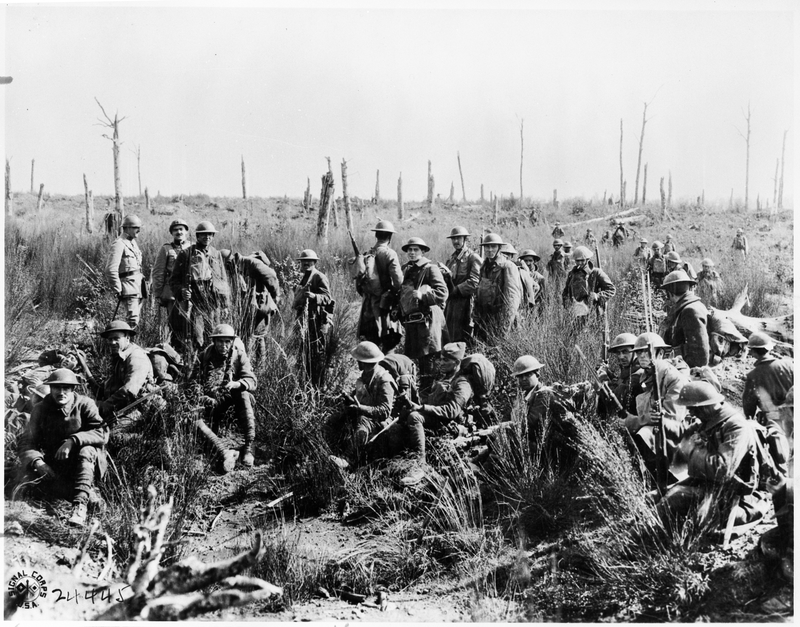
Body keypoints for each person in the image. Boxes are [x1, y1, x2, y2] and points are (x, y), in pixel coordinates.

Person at [660, 381, 767, 526]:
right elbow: (682, 434)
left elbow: (722, 470)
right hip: (708, 485)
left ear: (706, 407)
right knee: (654, 496)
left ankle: (634, 541)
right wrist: (660, 421)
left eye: (692, 409)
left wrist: (692, 450)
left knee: (675, 497)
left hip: (732, 496)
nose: (690, 413)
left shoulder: (736, 428)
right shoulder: (708, 421)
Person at [17, 369, 108, 527]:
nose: (61, 392)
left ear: (73, 389)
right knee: (25, 487)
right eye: (57, 388)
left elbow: (101, 433)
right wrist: (38, 462)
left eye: (66, 388)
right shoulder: (40, 409)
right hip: (56, 462)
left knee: (86, 451)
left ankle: (80, 506)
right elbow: (27, 441)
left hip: (86, 462)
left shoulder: (85, 404)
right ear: (50, 389)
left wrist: (73, 440)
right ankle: (84, 492)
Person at [378, 342, 474, 486]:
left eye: (446, 360)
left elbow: (452, 411)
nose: (441, 362)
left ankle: (419, 466)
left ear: (457, 362)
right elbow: (431, 402)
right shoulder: (442, 379)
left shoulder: (462, 383)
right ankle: (395, 463)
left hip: (449, 424)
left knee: (415, 417)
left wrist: (422, 408)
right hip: (435, 420)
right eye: (440, 359)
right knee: (401, 421)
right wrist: (414, 405)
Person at [192, 324, 258, 470]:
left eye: (227, 341)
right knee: (195, 417)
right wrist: (201, 396)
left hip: (233, 399)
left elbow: (252, 381)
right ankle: (218, 449)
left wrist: (236, 384)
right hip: (211, 401)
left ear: (232, 342)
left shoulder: (239, 355)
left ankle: (248, 445)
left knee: (243, 394)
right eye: (220, 341)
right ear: (214, 342)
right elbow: (194, 382)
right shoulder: (204, 356)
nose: (223, 345)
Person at [623, 332, 689, 472]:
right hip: (656, 432)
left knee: (645, 433)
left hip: (676, 437)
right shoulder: (645, 377)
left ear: (660, 353)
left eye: (646, 352)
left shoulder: (674, 379)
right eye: (639, 352)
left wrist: (640, 421)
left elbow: (672, 419)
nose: (641, 356)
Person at [326, 341, 397, 464]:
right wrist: (350, 400)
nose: (357, 362)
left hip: (379, 421)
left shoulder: (384, 380)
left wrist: (361, 409)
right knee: (335, 418)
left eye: (359, 360)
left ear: (366, 363)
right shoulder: (365, 376)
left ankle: (347, 459)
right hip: (363, 413)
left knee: (363, 423)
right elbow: (360, 398)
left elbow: (384, 411)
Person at [170, 221, 231, 353]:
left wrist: (225, 304)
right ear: (197, 236)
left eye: (210, 234)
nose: (207, 237)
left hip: (214, 304)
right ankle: (196, 364)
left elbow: (223, 280)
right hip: (195, 303)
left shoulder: (216, 253)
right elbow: (174, 280)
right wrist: (182, 291)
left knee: (214, 335)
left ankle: (211, 365)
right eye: (203, 235)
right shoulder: (186, 254)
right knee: (196, 337)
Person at [398, 237, 448, 389]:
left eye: (416, 250)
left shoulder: (430, 268)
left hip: (428, 322)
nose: (412, 253)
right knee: (412, 360)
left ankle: (428, 395)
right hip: (411, 322)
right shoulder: (405, 269)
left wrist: (423, 296)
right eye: (410, 250)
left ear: (423, 251)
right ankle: (416, 393)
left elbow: (443, 293)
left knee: (428, 362)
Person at [513, 355, 578, 472]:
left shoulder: (544, 395)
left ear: (537, 374)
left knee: (513, 441)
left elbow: (529, 425)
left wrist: (506, 427)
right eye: (520, 376)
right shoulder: (526, 396)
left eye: (528, 375)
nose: (523, 379)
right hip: (546, 444)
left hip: (558, 450)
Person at [97, 321, 156, 431]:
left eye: (116, 338)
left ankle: (146, 442)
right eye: (110, 339)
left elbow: (130, 389)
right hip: (125, 405)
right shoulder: (120, 356)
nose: (112, 342)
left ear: (127, 338)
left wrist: (106, 405)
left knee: (110, 434)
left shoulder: (136, 357)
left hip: (140, 407)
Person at [356, 220, 404, 354]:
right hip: (384, 307)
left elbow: (359, 284)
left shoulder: (366, 254)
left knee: (371, 346)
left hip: (368, 307)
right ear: (390, 237)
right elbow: (399, 281)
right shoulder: (389, 254)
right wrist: (393, 296)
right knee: (389, 343)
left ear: (376, 235)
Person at [292, 249, 333, 388]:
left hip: (315, 320)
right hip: (303, 319)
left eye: (309, 261)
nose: (306, 263)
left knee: (316, 352)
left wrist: (315, 297)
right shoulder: (303, 277)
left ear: (315, 262)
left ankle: (318, 384)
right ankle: (305, 379)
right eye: (303, 261)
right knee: (303, 350)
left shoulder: (319, 277)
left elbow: (328, 298)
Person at [474, 233, 522, 343]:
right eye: (487, 247)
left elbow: (512, 300)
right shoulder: (484, 267)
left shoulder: (508, 267)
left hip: (501, 321)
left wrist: (504, 327)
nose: (490, 250)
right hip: (484, 320)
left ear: (499, 248)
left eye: (493, 246)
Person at [439, 226, 481, 344]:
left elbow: (474, 282)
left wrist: (456, 290)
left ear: (465, 239)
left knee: (464, 337)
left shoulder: (473, 257)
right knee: (449, 335)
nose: (456, 241)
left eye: (458, 238)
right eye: (453, 239)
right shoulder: (452, 259)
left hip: (466, 303)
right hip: (451, 303)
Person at [659, 270, 710, 368]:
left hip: (691, 371)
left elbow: (700, 355)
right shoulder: (692, 306)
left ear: (670, 292)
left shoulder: (689, 311)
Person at [151, 219, 192, 342]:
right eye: (175, 230)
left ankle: (191, 350)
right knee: (174, 323)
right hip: (172, 293)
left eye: (181, 229)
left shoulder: (192, 247)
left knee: (191, 323)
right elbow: (158, 272)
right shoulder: (166, 249)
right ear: (171, 233)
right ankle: (175, 350)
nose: (178, 232)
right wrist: (158, 293)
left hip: (190, 292)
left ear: (186, 232)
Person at [225, 250, 282, 337]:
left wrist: (275, 295)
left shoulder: (251, 263)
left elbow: (271, 275)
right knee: (249, 334)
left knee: (257, 334)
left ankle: (257, 349)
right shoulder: (234, 268)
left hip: (261, 303)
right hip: (249, 305)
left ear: (229, 262)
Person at [104, 214, 145, 329]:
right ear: (126, 228)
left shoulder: (132, 243)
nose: (139, 230)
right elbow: (110, 269)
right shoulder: (119, 243)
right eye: (136, 227)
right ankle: (124, 344)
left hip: (138, 286)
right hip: (128, 287)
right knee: (132, 320)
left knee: (135, 319)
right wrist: (118, 288)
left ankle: (130, 344)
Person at [743, 332, 794, 423]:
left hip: (772, 422)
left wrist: (749, 419)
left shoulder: (753, 375)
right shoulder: (788, 365)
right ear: (769, 348)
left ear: (753, 352)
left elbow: (749, 404)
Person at [561, 246, 616, 319]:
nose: (579, 263)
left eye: (582, 260)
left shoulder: (596, 272)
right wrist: (568, 306)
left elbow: (611, 289)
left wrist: (598, 296)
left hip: (594, 313)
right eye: (577, 261)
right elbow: (566, 293)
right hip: (576, 312)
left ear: (587, 260)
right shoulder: (571, 274)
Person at [597, 332, 640, 417]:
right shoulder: (629, 368)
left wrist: (603, 377)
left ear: (636, 351)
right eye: (618, 353)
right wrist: (609, 373)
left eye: (625, 352)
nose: (621, 356)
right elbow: (621, 381)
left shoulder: (638, 375)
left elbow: (614, 401)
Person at [501, 243, 536, 313]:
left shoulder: (520, 271)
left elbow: (535, 286)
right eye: (503, 254)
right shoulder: (495, 269)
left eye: (508, 254)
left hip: (516, 306)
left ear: (511, 256)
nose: (505, 257)